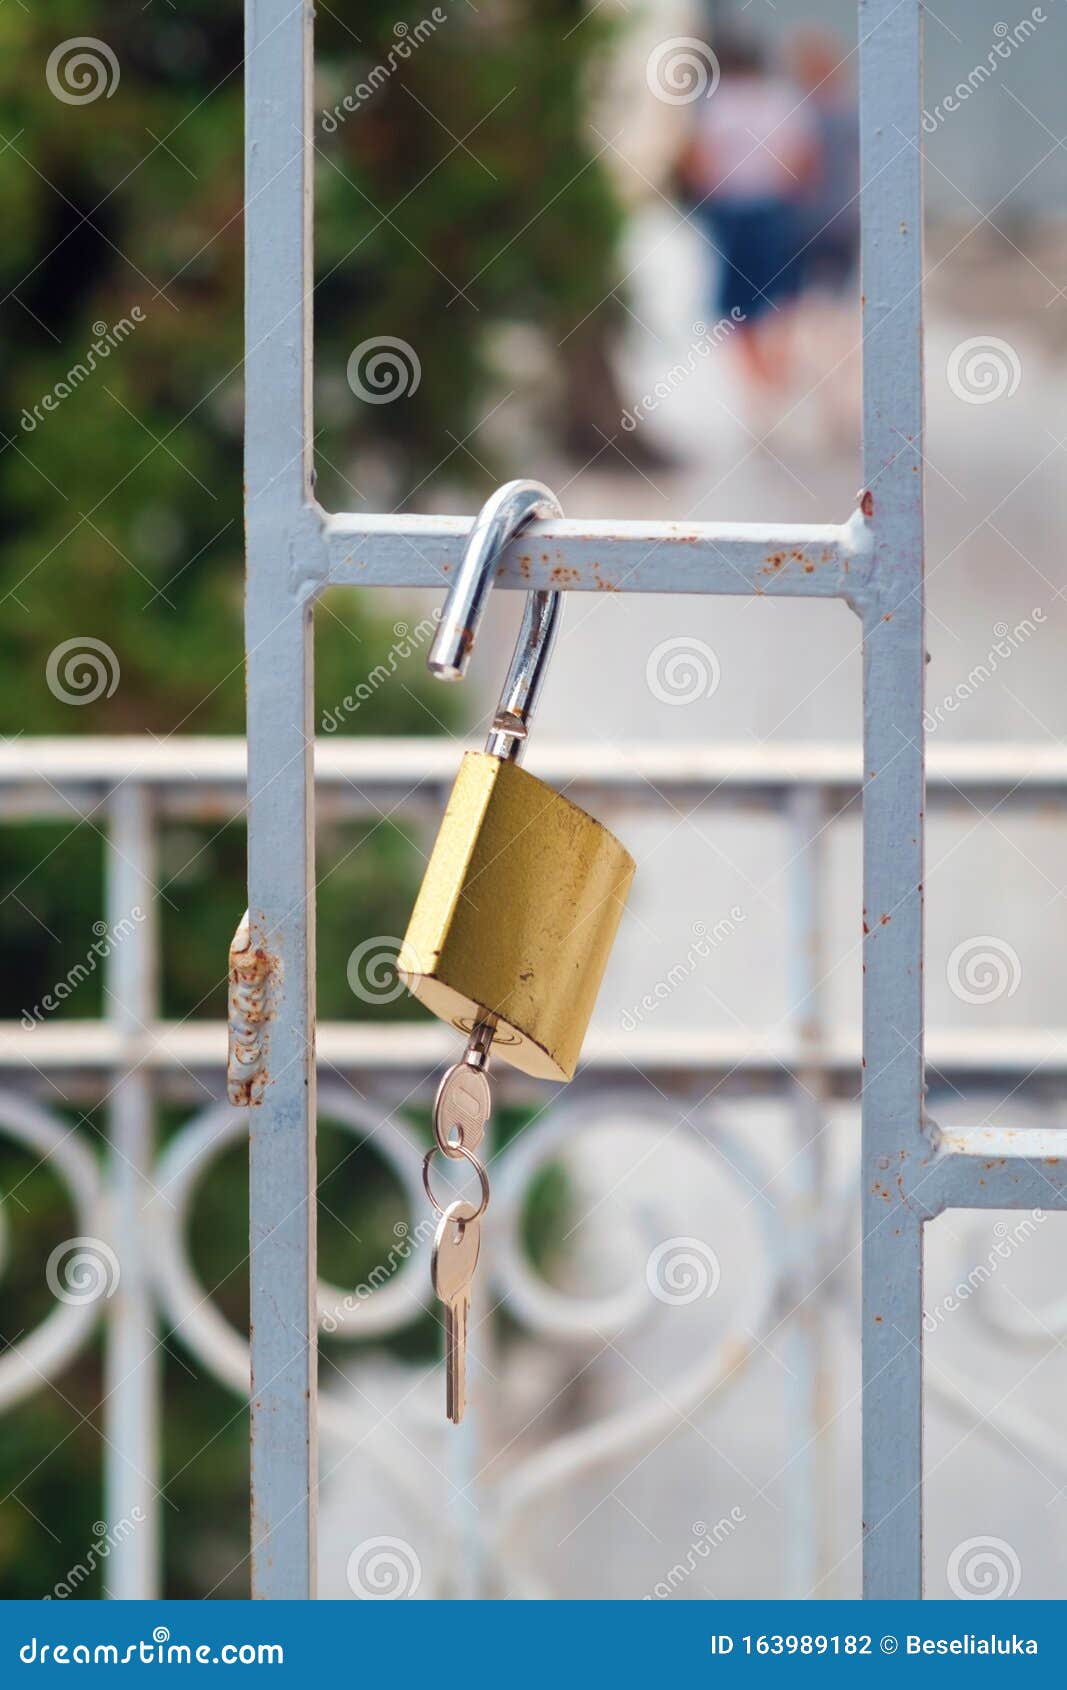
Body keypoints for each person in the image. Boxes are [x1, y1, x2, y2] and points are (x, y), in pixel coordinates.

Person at [679, 26, 818, 406]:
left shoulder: (717, 104)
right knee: (782, 296)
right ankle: (779, 373)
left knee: (735, 306)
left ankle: (762, 385)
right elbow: (803, 158)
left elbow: (698, 160)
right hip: (775, 206)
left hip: (733, 209)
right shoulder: (782, 99)